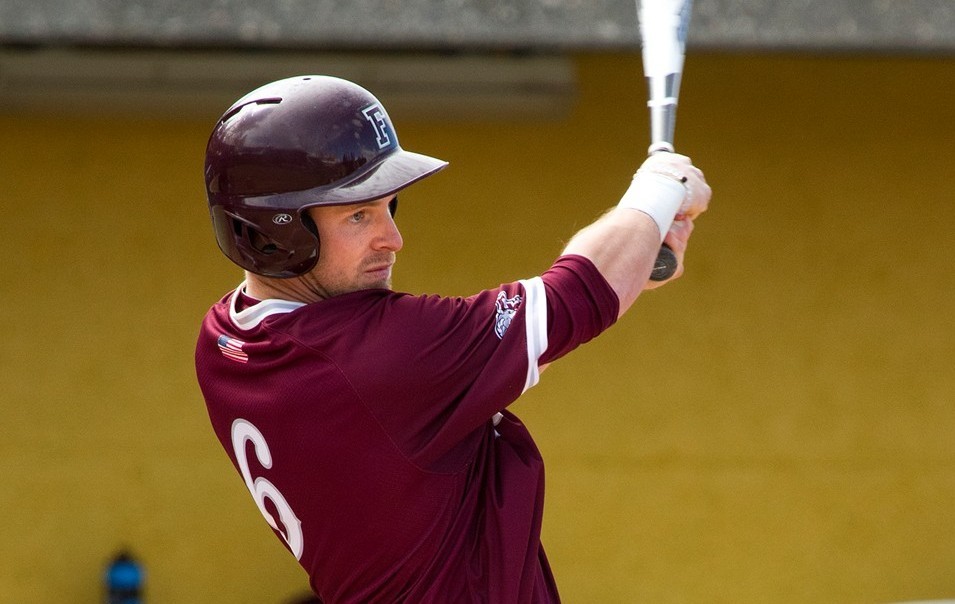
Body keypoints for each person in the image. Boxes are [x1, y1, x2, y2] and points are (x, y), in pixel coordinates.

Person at [195, 75, 710, 603]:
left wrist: (633, 253)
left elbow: (506, 354)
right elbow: (574, 297)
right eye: (358, 214)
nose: (392, 239)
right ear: (272, 233)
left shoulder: (222, 341)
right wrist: (659, 189)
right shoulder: (377, 357)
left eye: (388, 206)